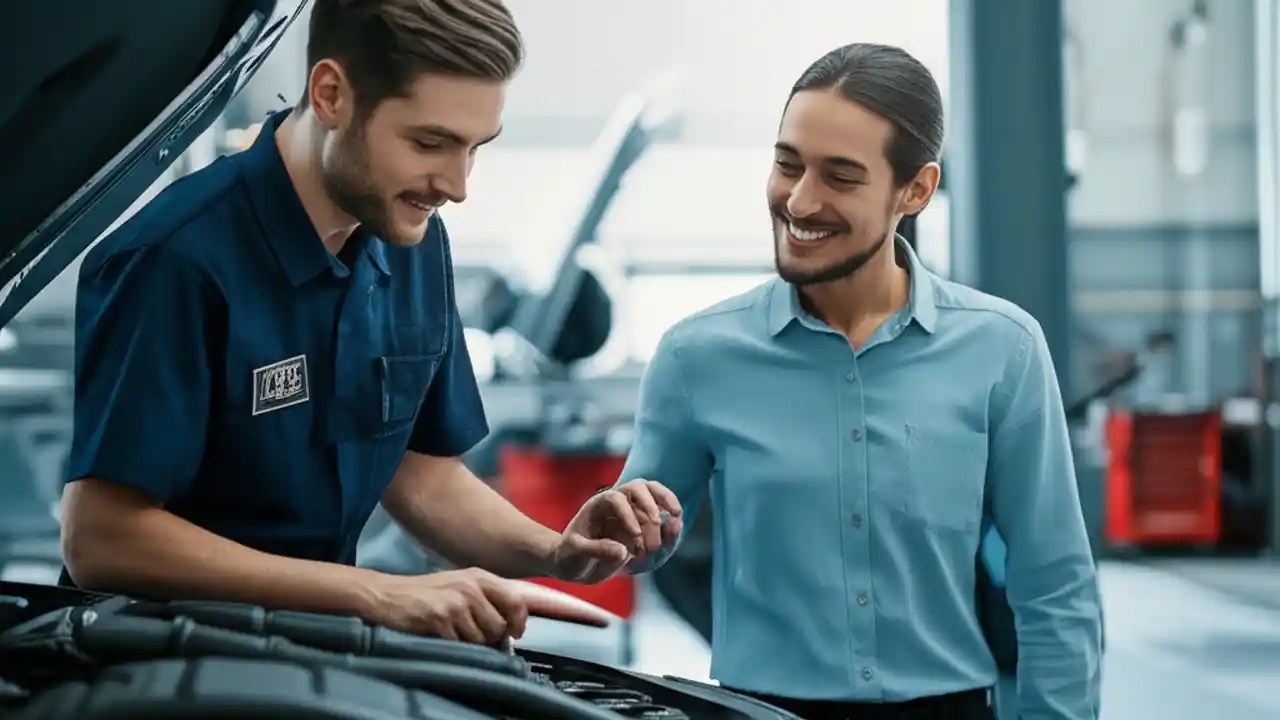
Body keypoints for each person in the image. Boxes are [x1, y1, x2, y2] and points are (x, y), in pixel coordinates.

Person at [59, 0, 631, 646]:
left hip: (318, 647)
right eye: (429, 142)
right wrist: (379, 594)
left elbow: (421, 473)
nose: (456, 184)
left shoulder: (414, 242)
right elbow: (101, 537)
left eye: (476, 149)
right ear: (331, 94)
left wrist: (557, 552)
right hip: (162, 653)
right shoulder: (176, 261)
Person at [566, 44, 1103, 719]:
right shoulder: (695, 357)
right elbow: (643, 540)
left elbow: (1054, 583)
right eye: (788, 164)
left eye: (841, 177)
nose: (799, 199)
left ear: (916, 190)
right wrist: (617, 531)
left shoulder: (1002, 349)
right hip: (759, 710)